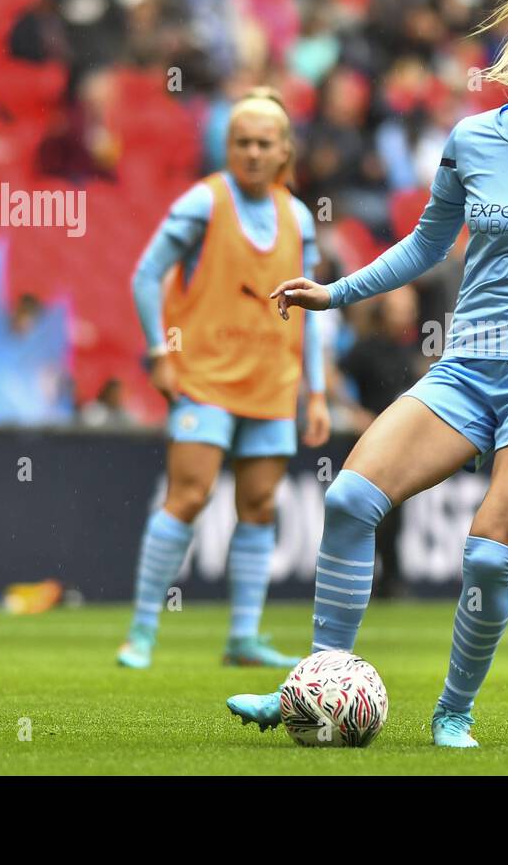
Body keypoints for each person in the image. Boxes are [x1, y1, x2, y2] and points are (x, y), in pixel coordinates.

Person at [226, 0, 508, 748]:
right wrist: (338, 291)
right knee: (350, 501)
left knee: (489, 560)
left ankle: (454, 711)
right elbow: (428, 243)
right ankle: (319, 683)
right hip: (468, 368)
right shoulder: (472, 139)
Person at [117, 87, 331, 671]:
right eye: (242, 143)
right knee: (189, 495)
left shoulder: (296, 217)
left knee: (259, 505)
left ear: (285, 150)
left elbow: (310, 312)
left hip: (270, 382)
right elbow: (145, 275)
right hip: (205, 378)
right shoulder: (204, 203)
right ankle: (141, 632)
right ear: (226, 147)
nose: (253, 153)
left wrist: (316, 390)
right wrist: (159, 352)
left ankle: (243, 637)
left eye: (265, 143)